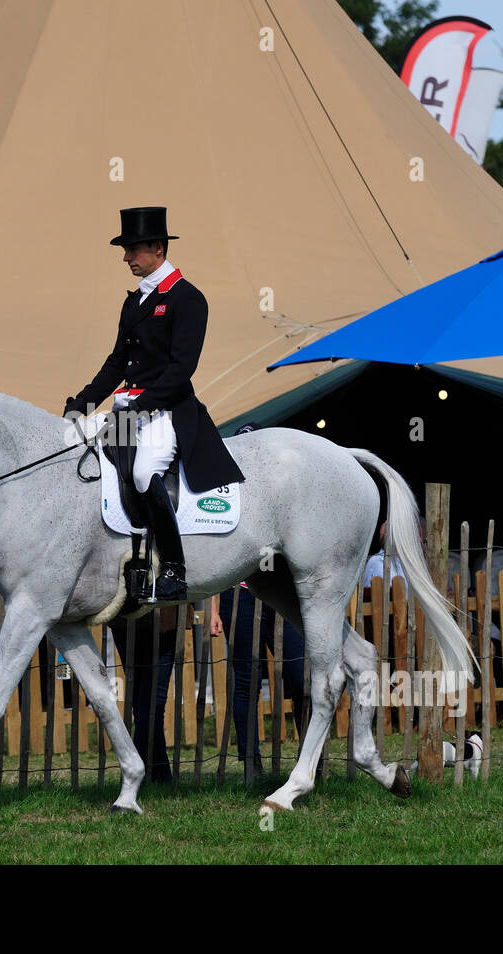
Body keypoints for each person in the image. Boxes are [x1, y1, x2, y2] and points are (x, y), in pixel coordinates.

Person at [64, 207, 245, 602]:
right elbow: (117, 362)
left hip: (167, 410)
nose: (126, 257)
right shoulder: (135, 301)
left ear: (157, 249)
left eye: (132, 250)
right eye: (126, 250)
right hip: (128, 409)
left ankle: (175, 569)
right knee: (79, 453)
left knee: (145, 472)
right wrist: (84, 402)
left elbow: (181, 369)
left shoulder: (188, 298)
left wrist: (139, 407)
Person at [209, 582, 305, 778]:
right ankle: (251, 764)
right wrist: (212, 608)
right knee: (247, 682)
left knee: (303, 680)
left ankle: (311, 758)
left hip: (282, 593)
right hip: (240, 594)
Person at [112, 605, 181, 783]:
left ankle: (150, 773)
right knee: (145, 703)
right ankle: (150, 773)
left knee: (149, 703)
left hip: (156, 615)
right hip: (130, 614)